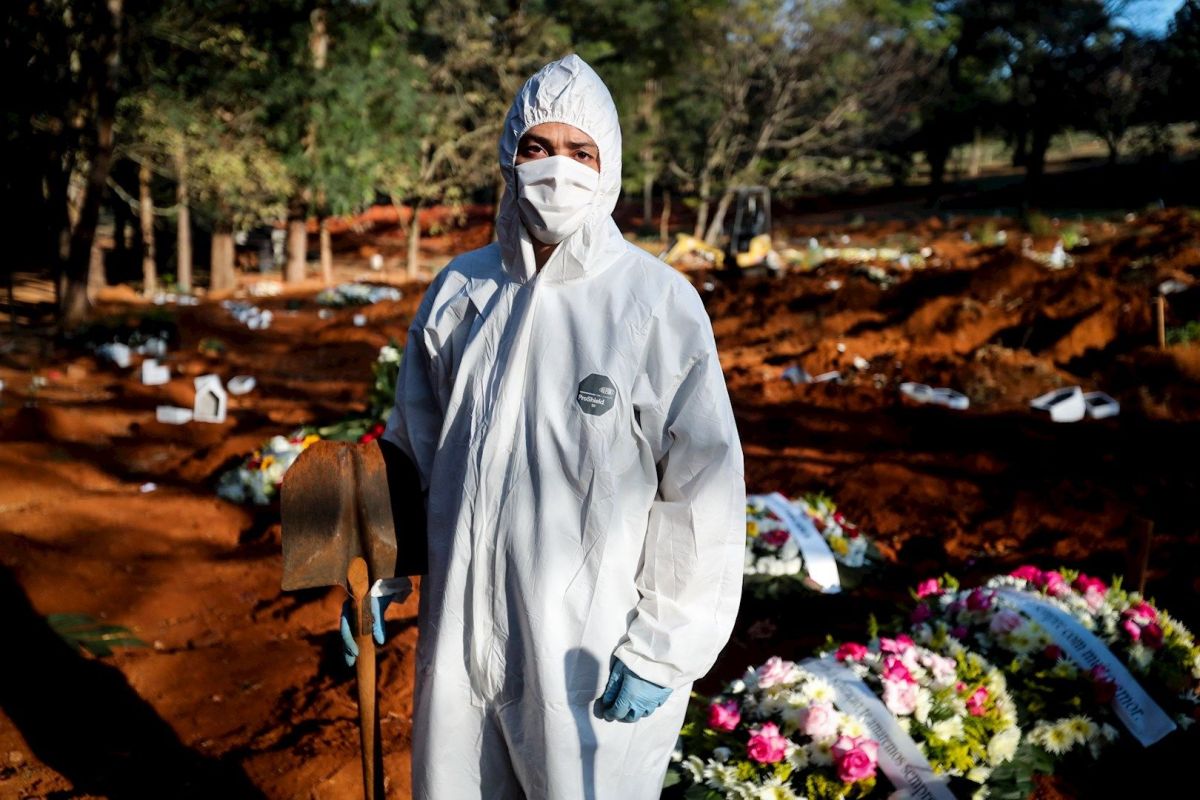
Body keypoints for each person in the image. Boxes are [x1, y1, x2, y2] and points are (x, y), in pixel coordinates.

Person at [341, 54, 745, 799]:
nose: (557, 169)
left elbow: (702, 487)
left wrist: (663, 647)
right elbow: (412, 447)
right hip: (460, 637)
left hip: (587, 646)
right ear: (509, 158)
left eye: (579, 152)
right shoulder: (461, 291)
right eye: (538, 147)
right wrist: (380, 570)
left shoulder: (654, 302)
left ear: (608, 165)